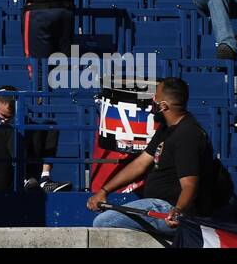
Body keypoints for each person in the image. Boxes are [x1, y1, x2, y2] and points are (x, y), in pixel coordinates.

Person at [5, 0, 87, 192]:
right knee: (54, 87)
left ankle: (36, 172)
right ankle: (45, 171)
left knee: (38, 88)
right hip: (66, 11)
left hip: (38, 12)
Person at [88, 78, 217, 233]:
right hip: (157, 205)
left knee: (104, 222)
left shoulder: (187, 135)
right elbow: (140, 164)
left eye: (155, 96)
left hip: (169, 209)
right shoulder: (167, 129)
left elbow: (189, 184)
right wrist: (104, 191)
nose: (152, 100)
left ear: (163, 106)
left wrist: (177, 210)